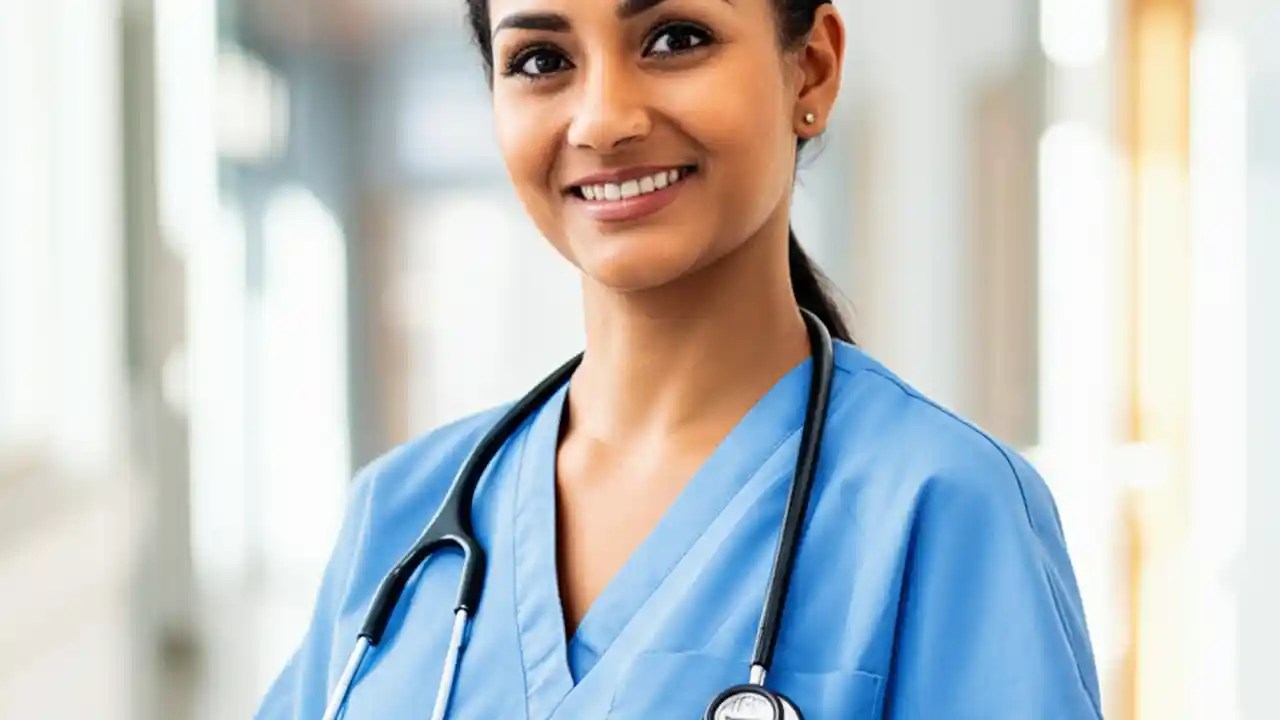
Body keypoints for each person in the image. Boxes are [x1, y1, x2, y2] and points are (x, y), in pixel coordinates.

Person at [255, 0, 1102, 717]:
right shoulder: (401, 518)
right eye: (542, 59)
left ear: (808, 69)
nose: (602, 120)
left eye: (674, 39)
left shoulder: (942, 507)